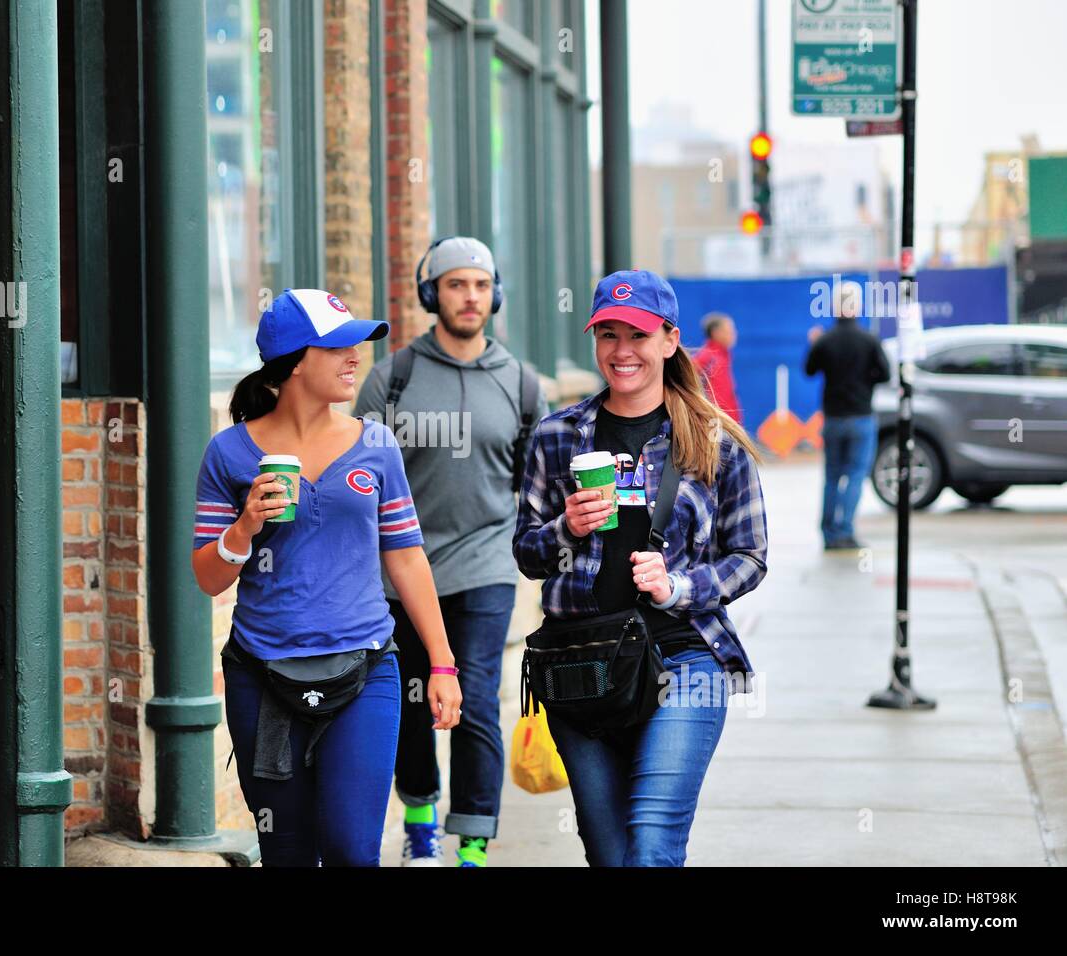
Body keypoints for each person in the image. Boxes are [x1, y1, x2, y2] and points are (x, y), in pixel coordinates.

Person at [192, 288, 462, 867]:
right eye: (338, 345)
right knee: (285, 852)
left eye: (357, 343)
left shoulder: (376, 445)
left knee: (349, 848)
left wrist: (441, 664)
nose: (356, 356)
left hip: (365, 670)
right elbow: (208, 579)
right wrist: (244, 527)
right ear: (293, 361)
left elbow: (407, 556)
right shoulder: (228, 454)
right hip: (261, 677)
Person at [512, 269, 767, 867]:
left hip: (684, 658)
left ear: (670, 341)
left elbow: (750, 557)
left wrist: (680, 584)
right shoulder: (557, 436)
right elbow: (525, 553)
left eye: (638, 335)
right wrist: (564, 528)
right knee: (610, 854)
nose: (622, 352)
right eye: (608, 336)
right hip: (583, 664)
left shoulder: (712, 440)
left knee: (651, 845)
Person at [355, 236, 548, 867]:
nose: (470, 296)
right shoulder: (392, 379)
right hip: (402, 574)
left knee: (475, 699)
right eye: (457, 284)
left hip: (487, 566)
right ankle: (418, 820)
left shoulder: (522, 384)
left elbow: (534, 481)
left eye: (482, 285)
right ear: (430, 292)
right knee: (411, 700)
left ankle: (471, 843)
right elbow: (358, 477)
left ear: (496, 295)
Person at [804, 281, 891, 550]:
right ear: (858, 307)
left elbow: (809, 370)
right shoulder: (869, 340)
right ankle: (845, 531)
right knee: (854, 475)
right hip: (861, 416)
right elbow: (886, 374)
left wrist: (814, 344)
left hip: (833, 418)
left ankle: (829, 533)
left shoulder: (825, 340)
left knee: (832, 476)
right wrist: (866, 382)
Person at [692, 312, 742, 424]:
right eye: (729, 331)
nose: (734, 334)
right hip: (715, 425)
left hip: (729, 424)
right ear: (716, 333)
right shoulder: (707, 357)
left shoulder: (723, 356)